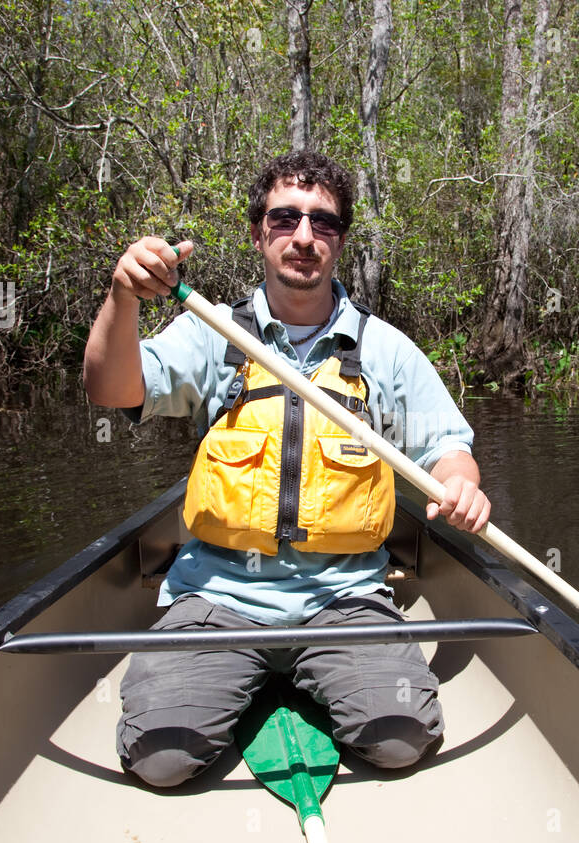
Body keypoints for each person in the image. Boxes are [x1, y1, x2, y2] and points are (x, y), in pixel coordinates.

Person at [83, 150, 491, 787]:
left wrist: (462, 484)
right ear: (259, 233)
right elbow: (111, 390)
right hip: (217, 597)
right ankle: (250, 679)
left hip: (345, 598)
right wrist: (122, 296)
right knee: (162, 760)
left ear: (340, 241)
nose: (304, 236)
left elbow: (447, 447)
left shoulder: (386, 350)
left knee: (400, 741)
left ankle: (313, 676)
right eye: (286, 218)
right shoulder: (212, 334)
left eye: (323, 223)